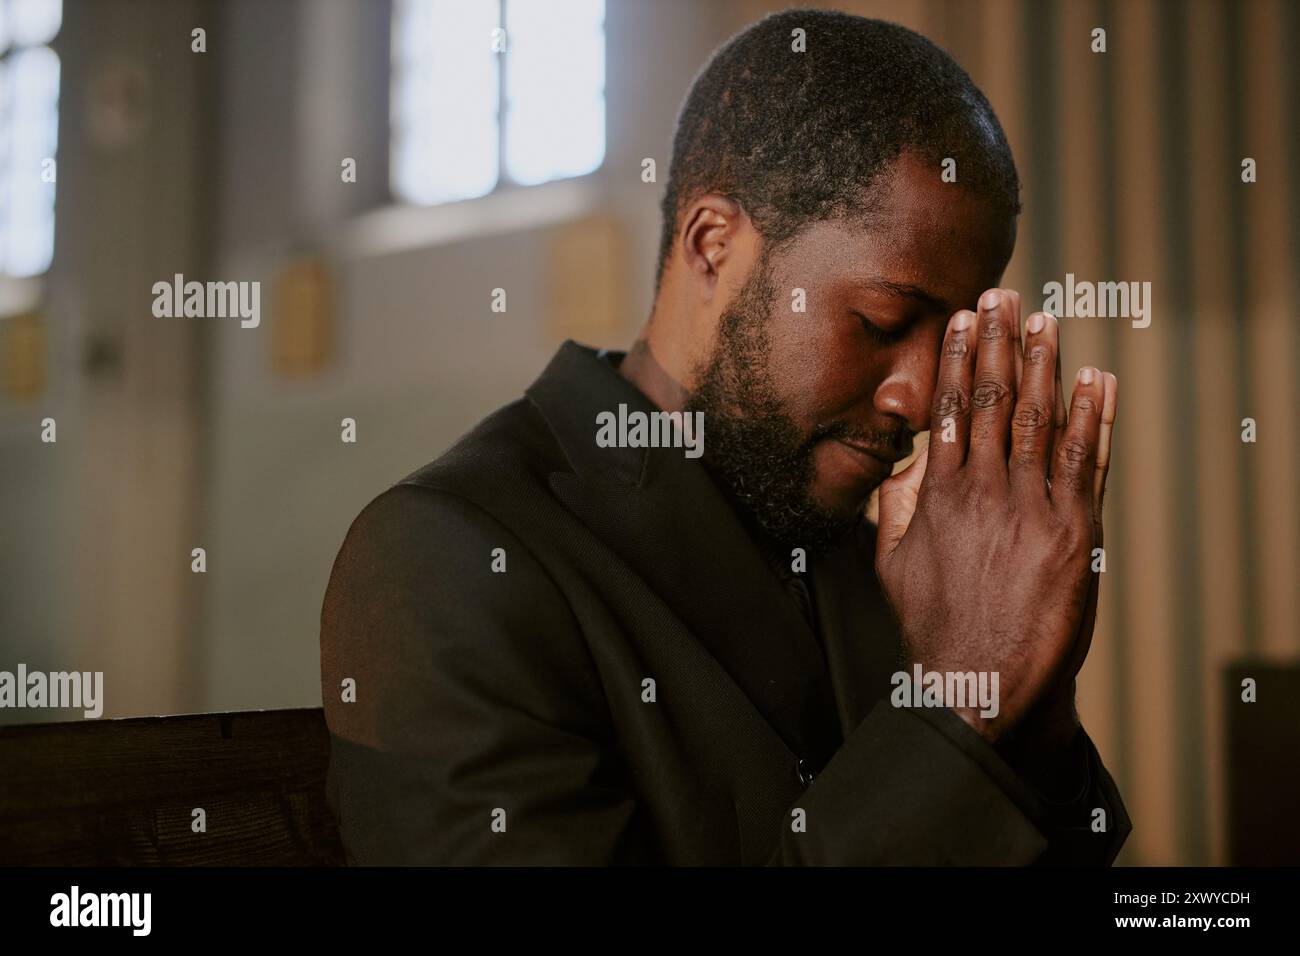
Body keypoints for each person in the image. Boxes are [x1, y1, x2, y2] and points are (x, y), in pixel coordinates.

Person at [320, 9, 1130, 865]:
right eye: (883, 320)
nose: (921, 398)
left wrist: (1029, 702)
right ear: (714, 246)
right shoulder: (443, 560)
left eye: (952, 339)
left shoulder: (883, 564)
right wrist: (958, 703)